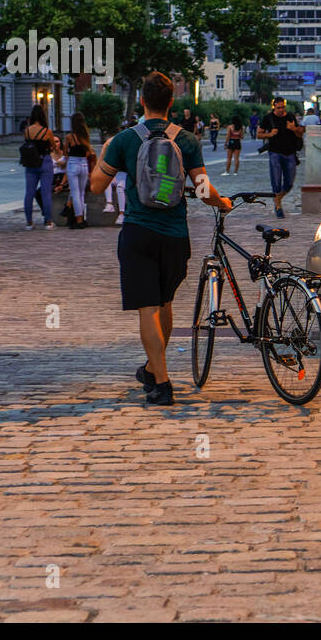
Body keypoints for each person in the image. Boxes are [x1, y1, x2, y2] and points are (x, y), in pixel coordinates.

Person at [88, 71, 232, 407]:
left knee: (147, 309)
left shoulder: (124, 140)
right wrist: (222, 202)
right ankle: (154, 370)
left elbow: (96, 186)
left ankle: (161, 382)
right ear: (171, 103)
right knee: (164, 304)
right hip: (174, 234)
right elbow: (201, 189)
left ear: (142, 101)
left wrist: (105, 150)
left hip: (138, 232)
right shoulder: (187, 140)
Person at [257, 98, 304, 218]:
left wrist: (294, 129)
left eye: (283, 107)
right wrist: (269, 134)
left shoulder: (290, 116)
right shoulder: (268, 118)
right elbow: (259, 134)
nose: (281, 110)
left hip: (290, 153)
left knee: (289, 183)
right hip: (275, 153)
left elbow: (300, 133)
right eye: (278, 107)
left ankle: (277, 199)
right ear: (274, 107)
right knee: (276, 182)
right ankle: (278, 205)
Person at [22, 105, 57, 231]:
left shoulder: (27, 131)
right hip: (45, 162)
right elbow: (53, 146)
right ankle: (48, 221)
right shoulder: (46, 131)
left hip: (31, 163)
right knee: (45, 192)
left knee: (29, 193)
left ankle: (29, 222)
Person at [65, 112, 93, 229]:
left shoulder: (70, 136)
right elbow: (88, 152)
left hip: (73, 163)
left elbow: (65, 151)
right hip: (84, 164)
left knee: (75, 193)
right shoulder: (86, 136)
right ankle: (82, 218)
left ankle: (79, 219)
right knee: (81, 194)